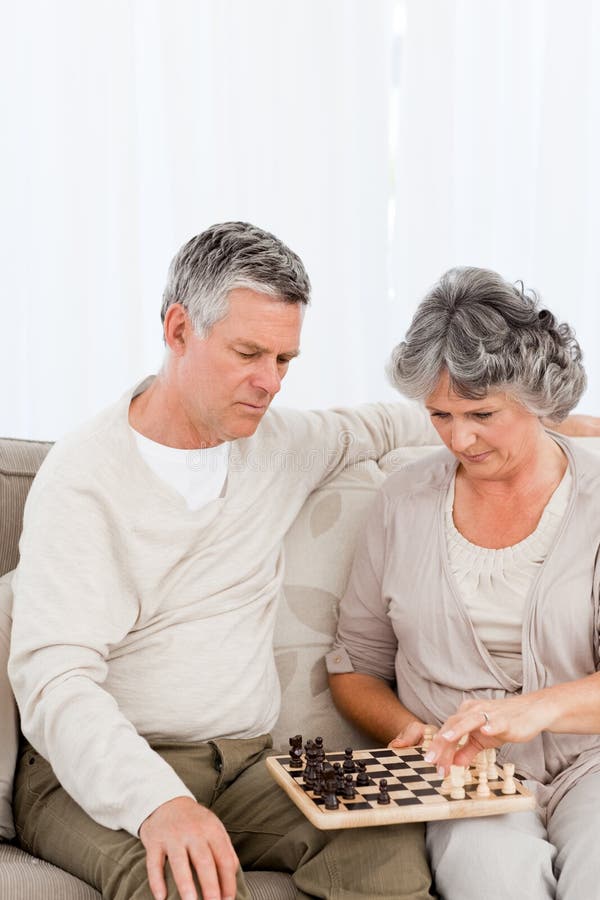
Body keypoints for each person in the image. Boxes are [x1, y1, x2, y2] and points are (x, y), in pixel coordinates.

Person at [8, 222, 439, 900]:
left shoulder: (278, 445)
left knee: (384, 831)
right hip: (96, 771)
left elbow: (385, 424)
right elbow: (53, 679)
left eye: (284, 359)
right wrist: (157, 803)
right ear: (179, 330)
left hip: (245, 767)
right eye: (248, 353)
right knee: (185, 881)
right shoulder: (84, 480)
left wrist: (539, 421)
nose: (270, 382)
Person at [327, 266, 600, 900]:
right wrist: (414, 733)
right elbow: (355, 666)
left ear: (538, 400)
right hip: (462, 775)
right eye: (440, 415)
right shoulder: (401, 502)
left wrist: (533, 709)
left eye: (482, 413)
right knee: (495, 881)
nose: (460, 438)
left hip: (591, 762)